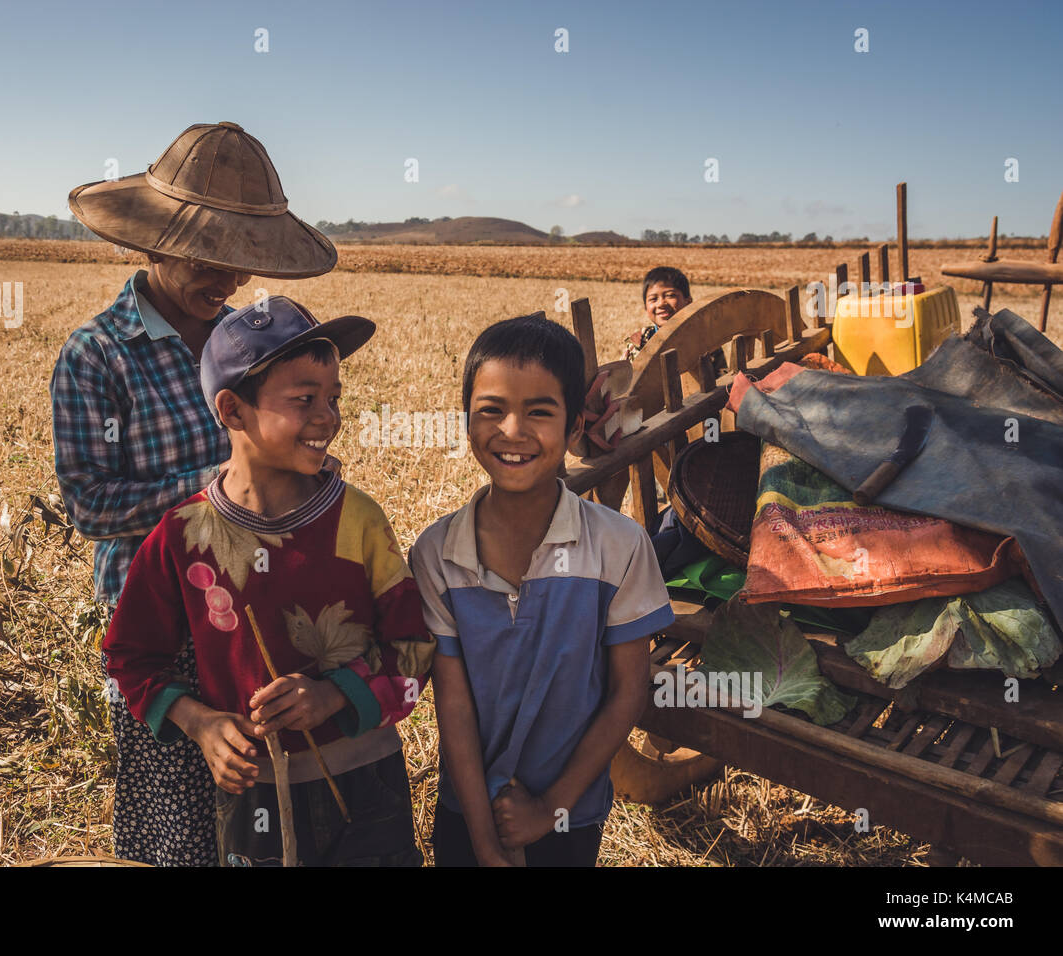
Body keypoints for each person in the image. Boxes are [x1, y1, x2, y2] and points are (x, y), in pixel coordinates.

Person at [50, 122, 338, 866]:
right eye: (208, 256)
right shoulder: (98, 353)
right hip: (160, 631)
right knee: (177, 833)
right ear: (151, 241)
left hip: (257, 616)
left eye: (240, 261)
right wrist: (223, 491)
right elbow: (90, 506)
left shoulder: (246, 349)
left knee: (267, 822)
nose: (228, 279)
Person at [102, 295, 435, 867]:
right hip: (252, 796)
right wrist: (200, 723)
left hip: (367, 782)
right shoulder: (183, 537)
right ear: (232, 410)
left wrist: (334, 694)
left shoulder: (358, 522)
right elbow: (128, 655)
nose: (328, 416)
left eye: (333, 399)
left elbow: (412, 649)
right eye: (304, 400)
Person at [410, 313, 674, 867]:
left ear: (575, 427)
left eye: (539, 412)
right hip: (467, 811)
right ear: (466, 421)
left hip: (569, 815)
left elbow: (628, 691)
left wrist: (548, 808)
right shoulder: (436, 554)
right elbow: (452, 707)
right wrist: (485, 838)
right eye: (492, 410)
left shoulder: (618, 547)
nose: (512, 431)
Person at [623, 266, 726, 377]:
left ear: (688, 302)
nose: (661, 304)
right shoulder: (640, 341)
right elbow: (626, 383)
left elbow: (721, 378)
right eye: (653, 299)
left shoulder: (705, 341)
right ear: (645, 306)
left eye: (670, 295)